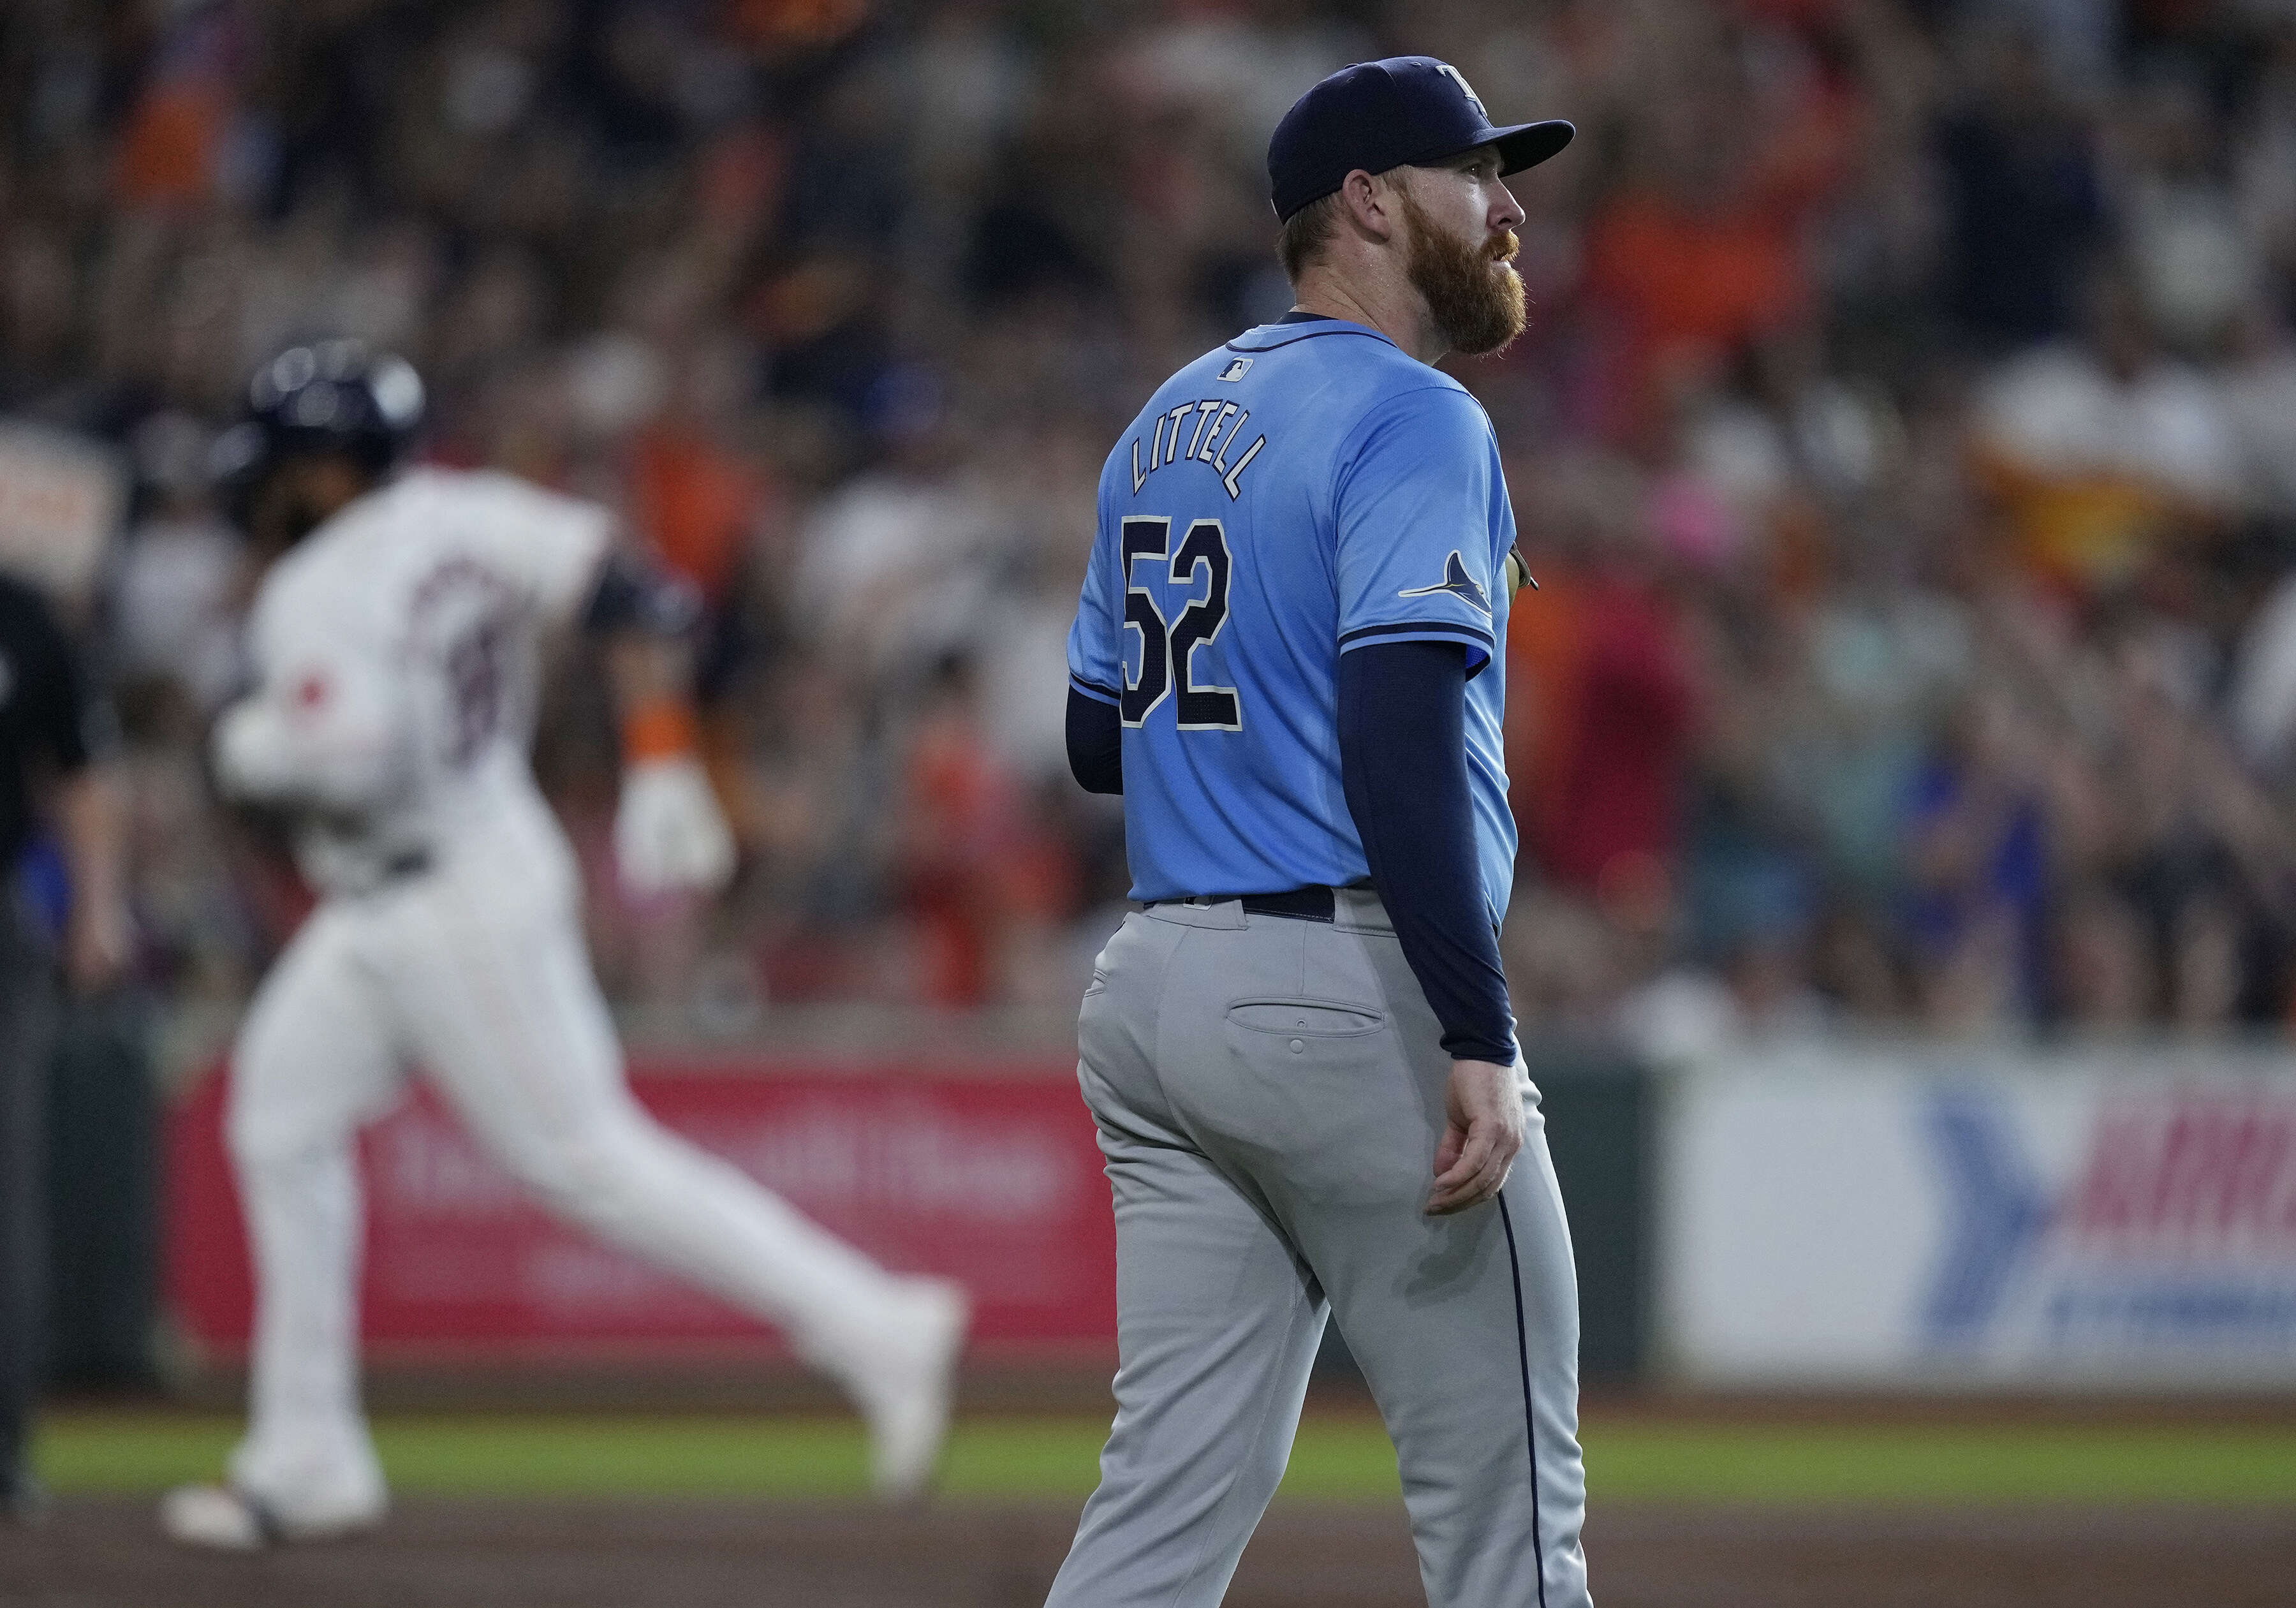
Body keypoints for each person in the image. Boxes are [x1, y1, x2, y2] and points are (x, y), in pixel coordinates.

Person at [159, 342, 967, 1549]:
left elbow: (352, 749)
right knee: (279, 1111)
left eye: (280, 465)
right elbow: (634, 594)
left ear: (327, 469)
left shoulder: (315, 586)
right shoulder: (469, 512)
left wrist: (251, 746)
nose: (263, 490)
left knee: (589, 1160)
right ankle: (307, 1445)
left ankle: (874, 1327)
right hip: (428, 884)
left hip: (445, 902)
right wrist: (658, 750)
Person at [1049, 59, 1591, 1608]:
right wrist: (1472, 1029)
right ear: (1366, 201)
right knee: (1513, 1533)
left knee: (1158, 1521)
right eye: (1474, 174)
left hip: (1155, 996)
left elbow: (1102, 736)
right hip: (1342, 988)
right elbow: (1401, 738)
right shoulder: (1418, 416)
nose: (1510, 208)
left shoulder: (1169, 416)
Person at [0, 570, 132, 1523]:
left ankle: (1, 1447)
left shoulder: (22, 610)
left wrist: (98, 906)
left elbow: (81, 765)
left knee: (5, 1195)